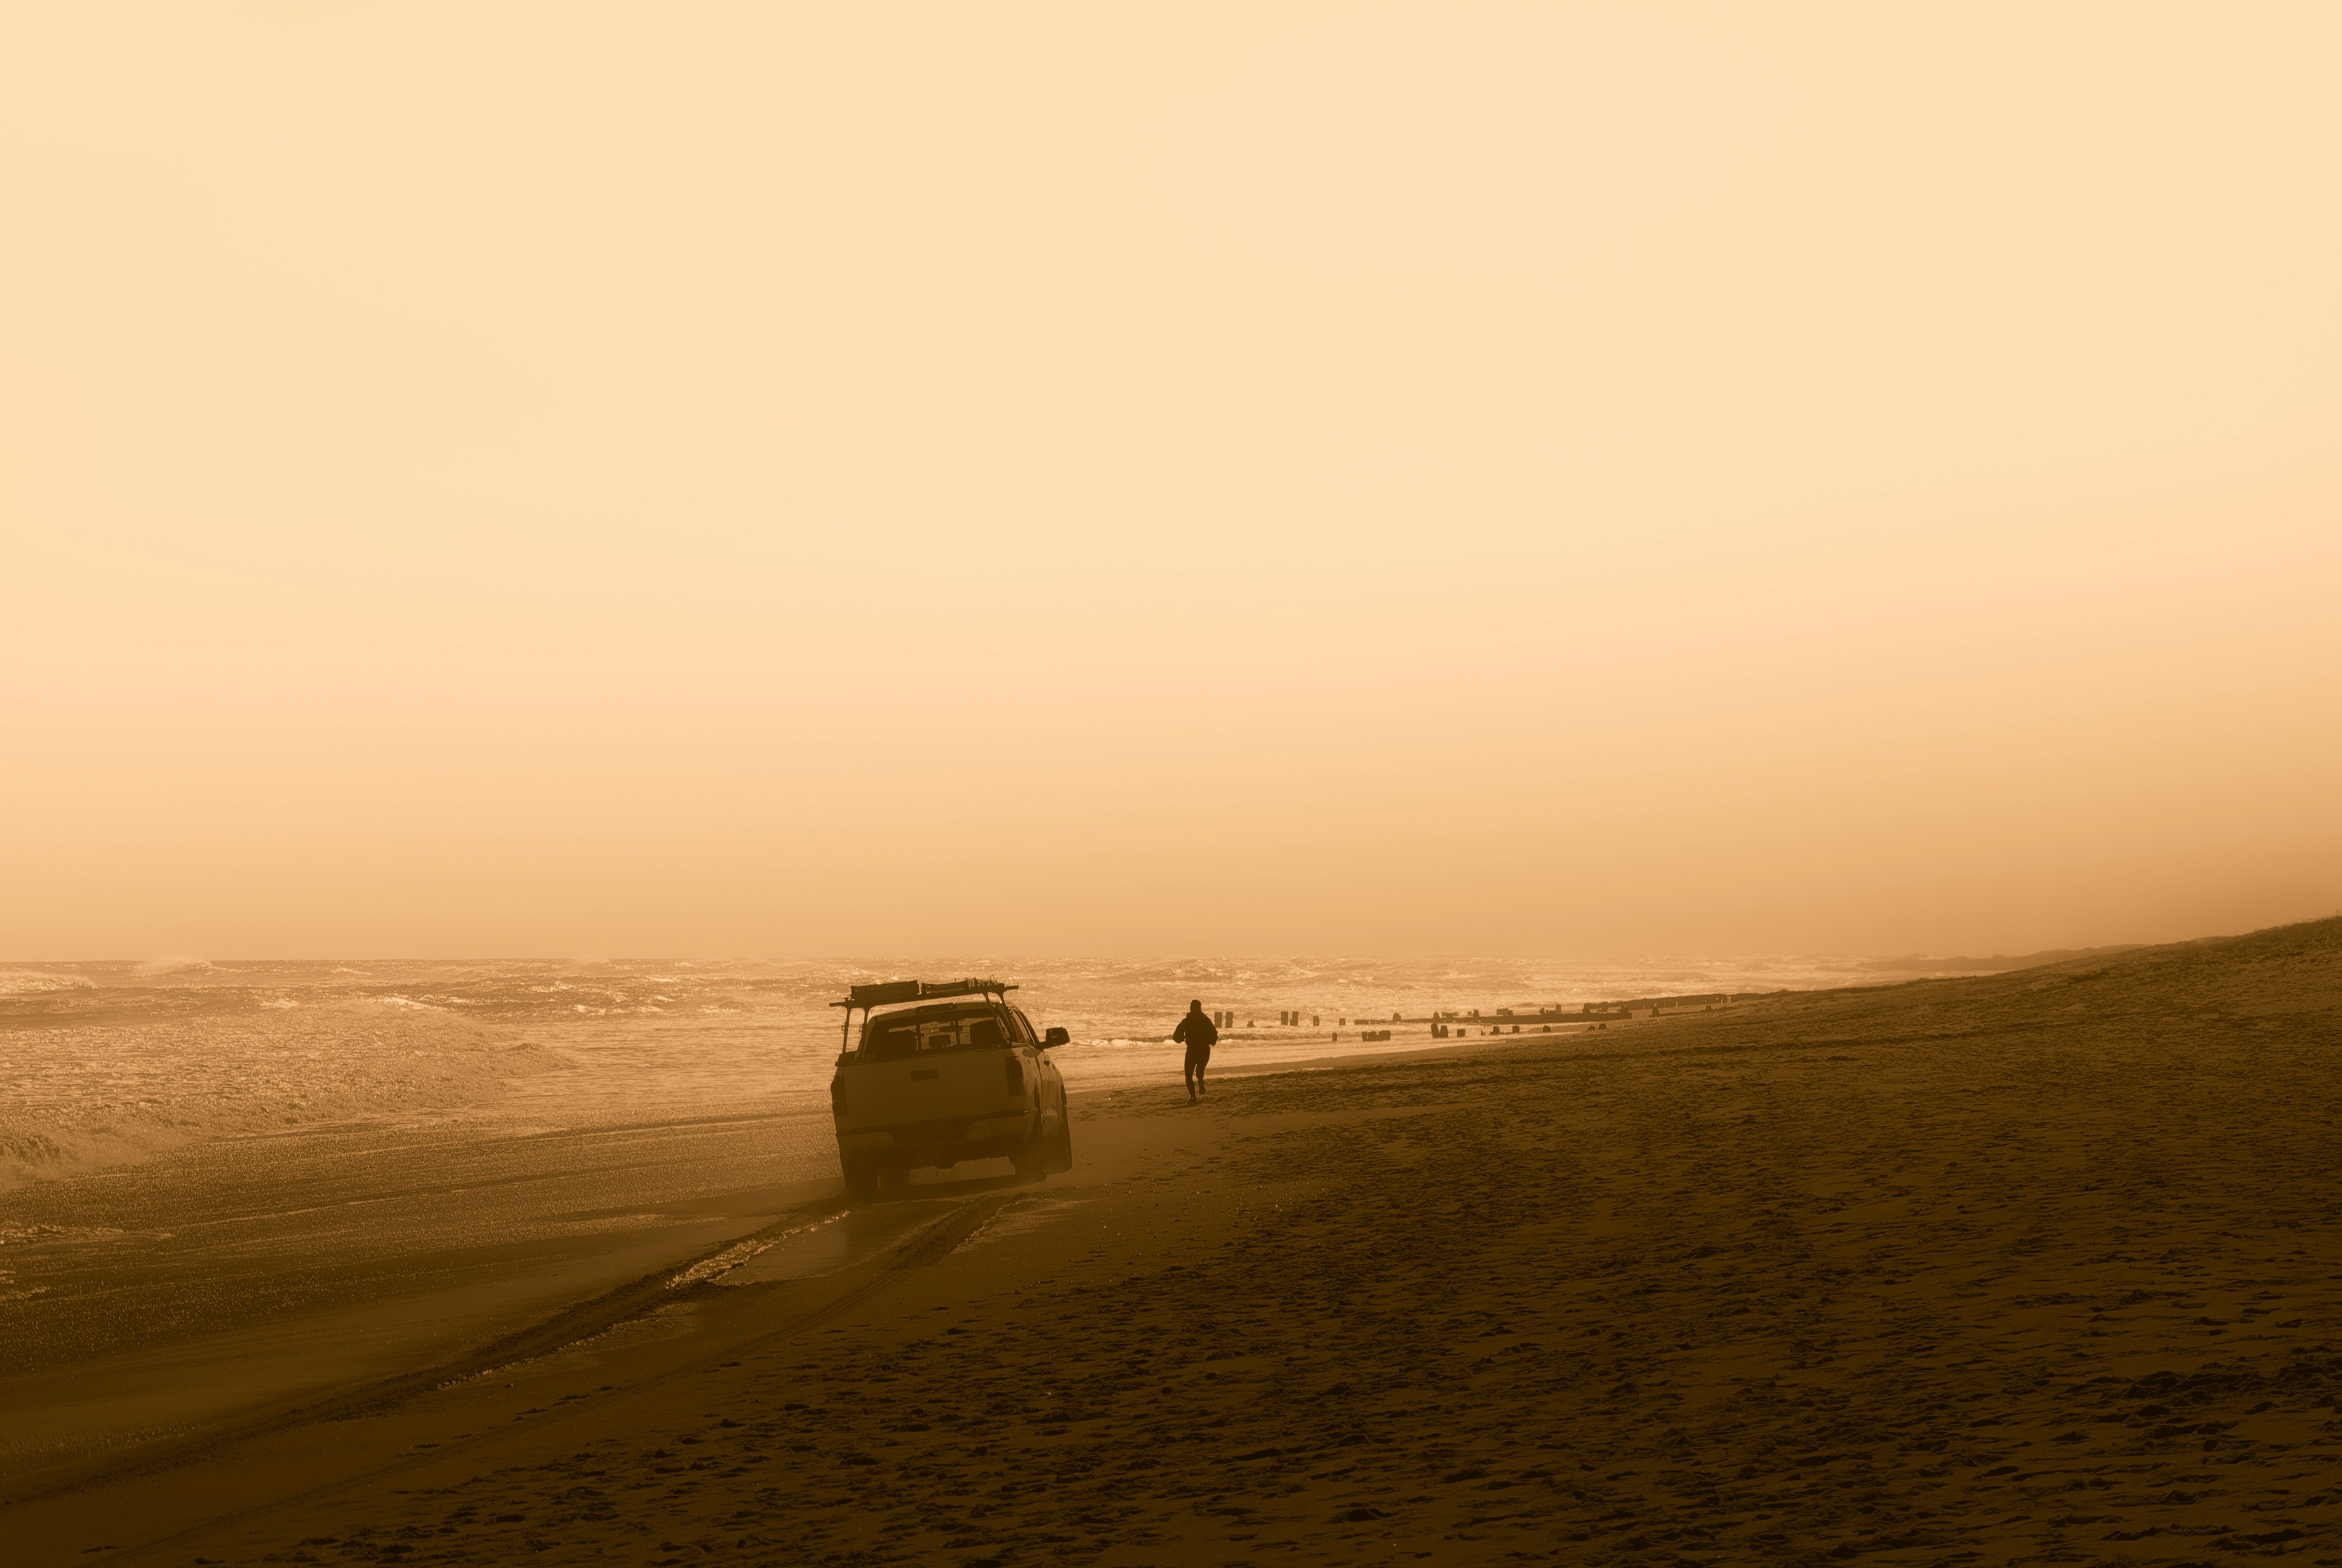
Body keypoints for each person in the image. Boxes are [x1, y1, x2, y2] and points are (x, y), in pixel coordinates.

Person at [1172, 999, 1218, 1102]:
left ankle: (1193, 1097)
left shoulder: (1187, 1021)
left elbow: (1176, 1036)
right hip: (1205, 1050)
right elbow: (1214, 1034)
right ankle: (1201, 1081)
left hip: (1192, 1049)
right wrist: (1211, 1041)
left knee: (1188, 1075)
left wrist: (1182, 1039)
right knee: (1200, 1070)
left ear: (1191, 1008)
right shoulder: (1206, 1020)